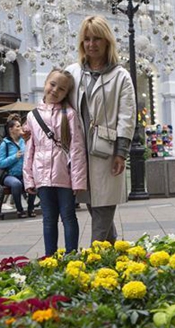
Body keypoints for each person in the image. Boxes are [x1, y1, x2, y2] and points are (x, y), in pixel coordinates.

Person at [66, 15, 135, 243]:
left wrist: (121, 152)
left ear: (107, 42)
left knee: (103, 208)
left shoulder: (121, 76)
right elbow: (53, 104)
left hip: (107, 152)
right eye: (87, 39)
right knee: (95, 206)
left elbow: (127, 116)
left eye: (97, 39)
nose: (91, 44)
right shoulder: (73, 73)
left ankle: (95, 261)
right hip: (79, 153)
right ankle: (116, 255)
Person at [23, 68, 88, 256]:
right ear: (46, 84)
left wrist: (78, 180)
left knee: (68, 216)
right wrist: (29, 178)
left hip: (64, 176)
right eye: (53, 84)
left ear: (66, 93)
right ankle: (49, 258)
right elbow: (30, 149)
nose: (55, 90)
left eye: (61, 89)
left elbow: (77, 149)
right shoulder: (33, 116)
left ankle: (71, 256)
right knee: (48, 219)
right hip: (42, 176)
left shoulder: (69, 114)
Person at [0, 115, 35, 218]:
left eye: (20, 126)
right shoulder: (5, 144)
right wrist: (14, 157)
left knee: (33, 182)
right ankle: (20, 210)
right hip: (9, 175)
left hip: (23, 174)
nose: (20, 128)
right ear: (11, 129)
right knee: (16, 184)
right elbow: (0, 163)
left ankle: (31, 209)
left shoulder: (25, 141)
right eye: (17, 126)